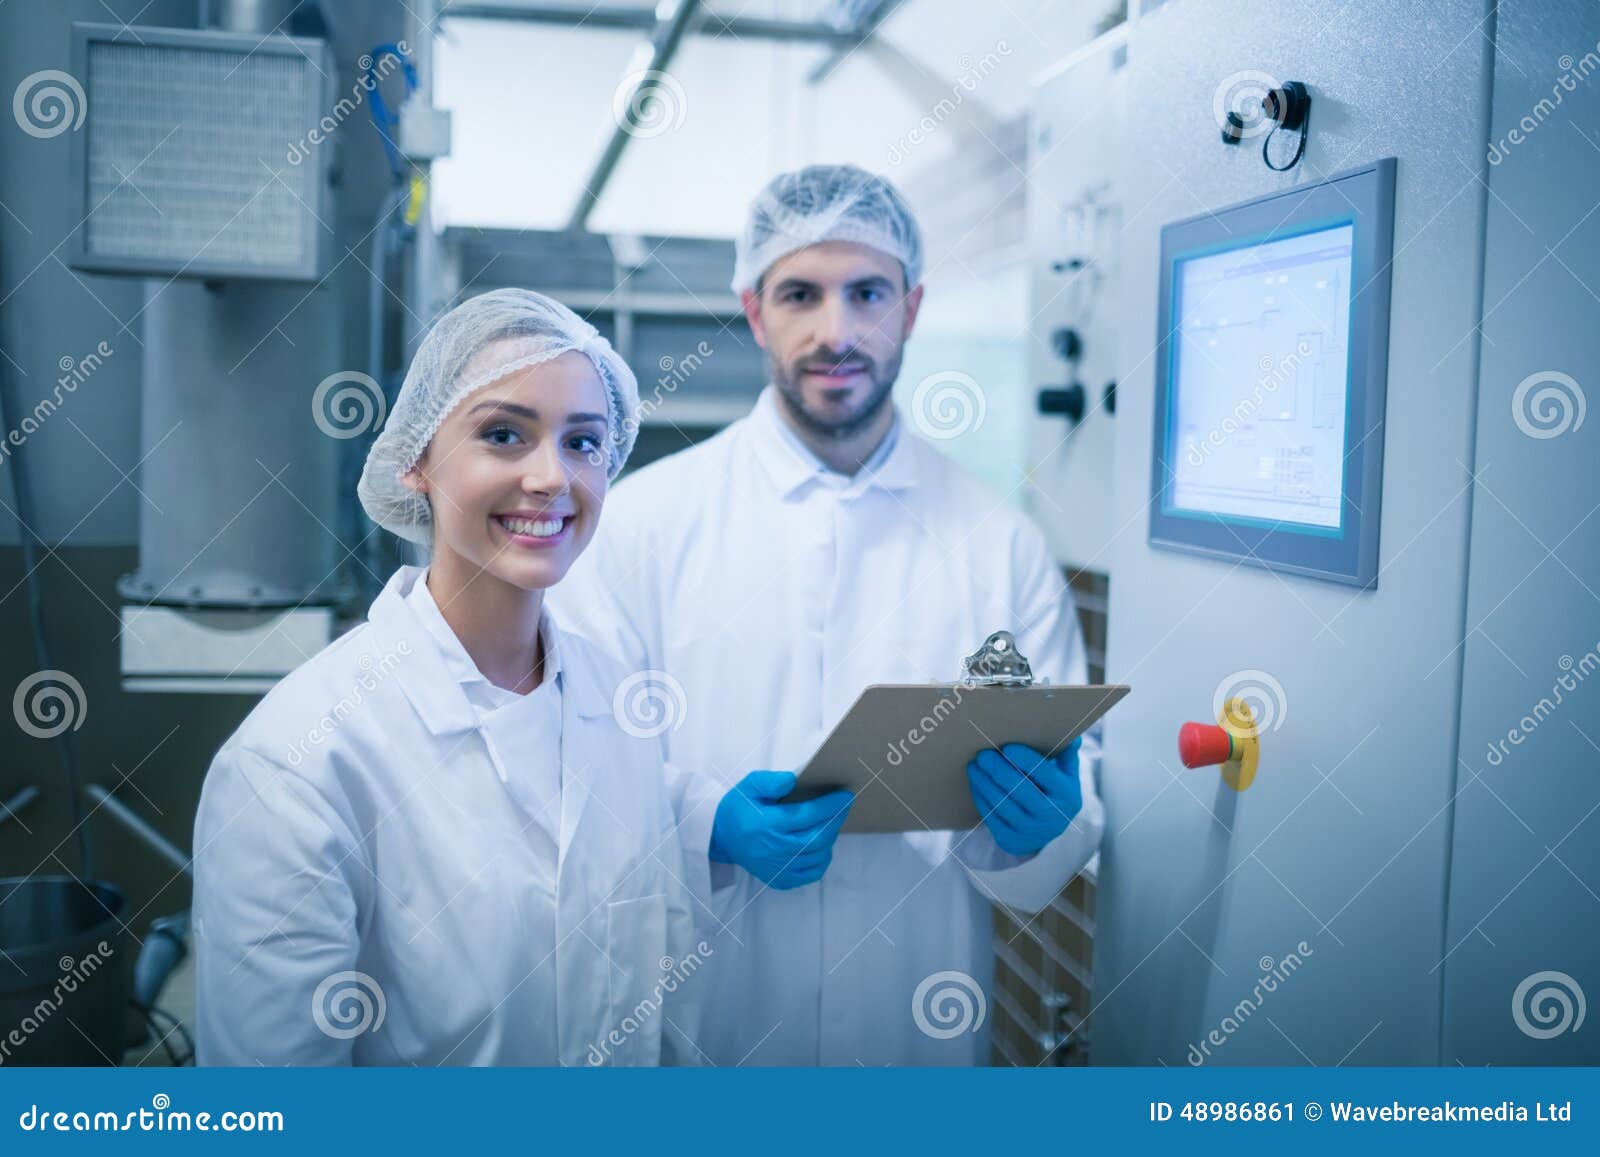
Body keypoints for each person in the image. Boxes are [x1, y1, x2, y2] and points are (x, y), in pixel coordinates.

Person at [551, 164, 1104, 1066]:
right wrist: (703, 826)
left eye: (868, 294)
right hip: (714, 1028)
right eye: (801, 294)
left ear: (913, 308)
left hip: (915, 1031)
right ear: (755, 309)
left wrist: (1046, 828)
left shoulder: (1000, 542)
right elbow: (571, 770)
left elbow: (1063, 832)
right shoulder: (644, 527)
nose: (836, 331)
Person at [192, 289, 705, 1066]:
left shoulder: (614, 701)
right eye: (504, 434)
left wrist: (711, 823)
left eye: (584, 442)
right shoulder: (297, 763)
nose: (550, 478)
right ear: (417, 459)